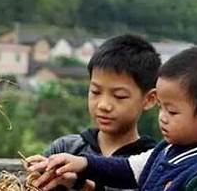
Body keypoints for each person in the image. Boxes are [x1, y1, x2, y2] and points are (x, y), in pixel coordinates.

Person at [31, 47, 197, 191]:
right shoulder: (168, 149)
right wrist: (82, 163)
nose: (162, 118)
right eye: (162, 108)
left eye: (172, 112)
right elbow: (127, 169)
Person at [26, 34, 161, 191]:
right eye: (96, 92)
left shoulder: (154, 163)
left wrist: (83, 186)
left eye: (119, 96)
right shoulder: (65, 148)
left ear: (150, 99)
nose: (103, 105)